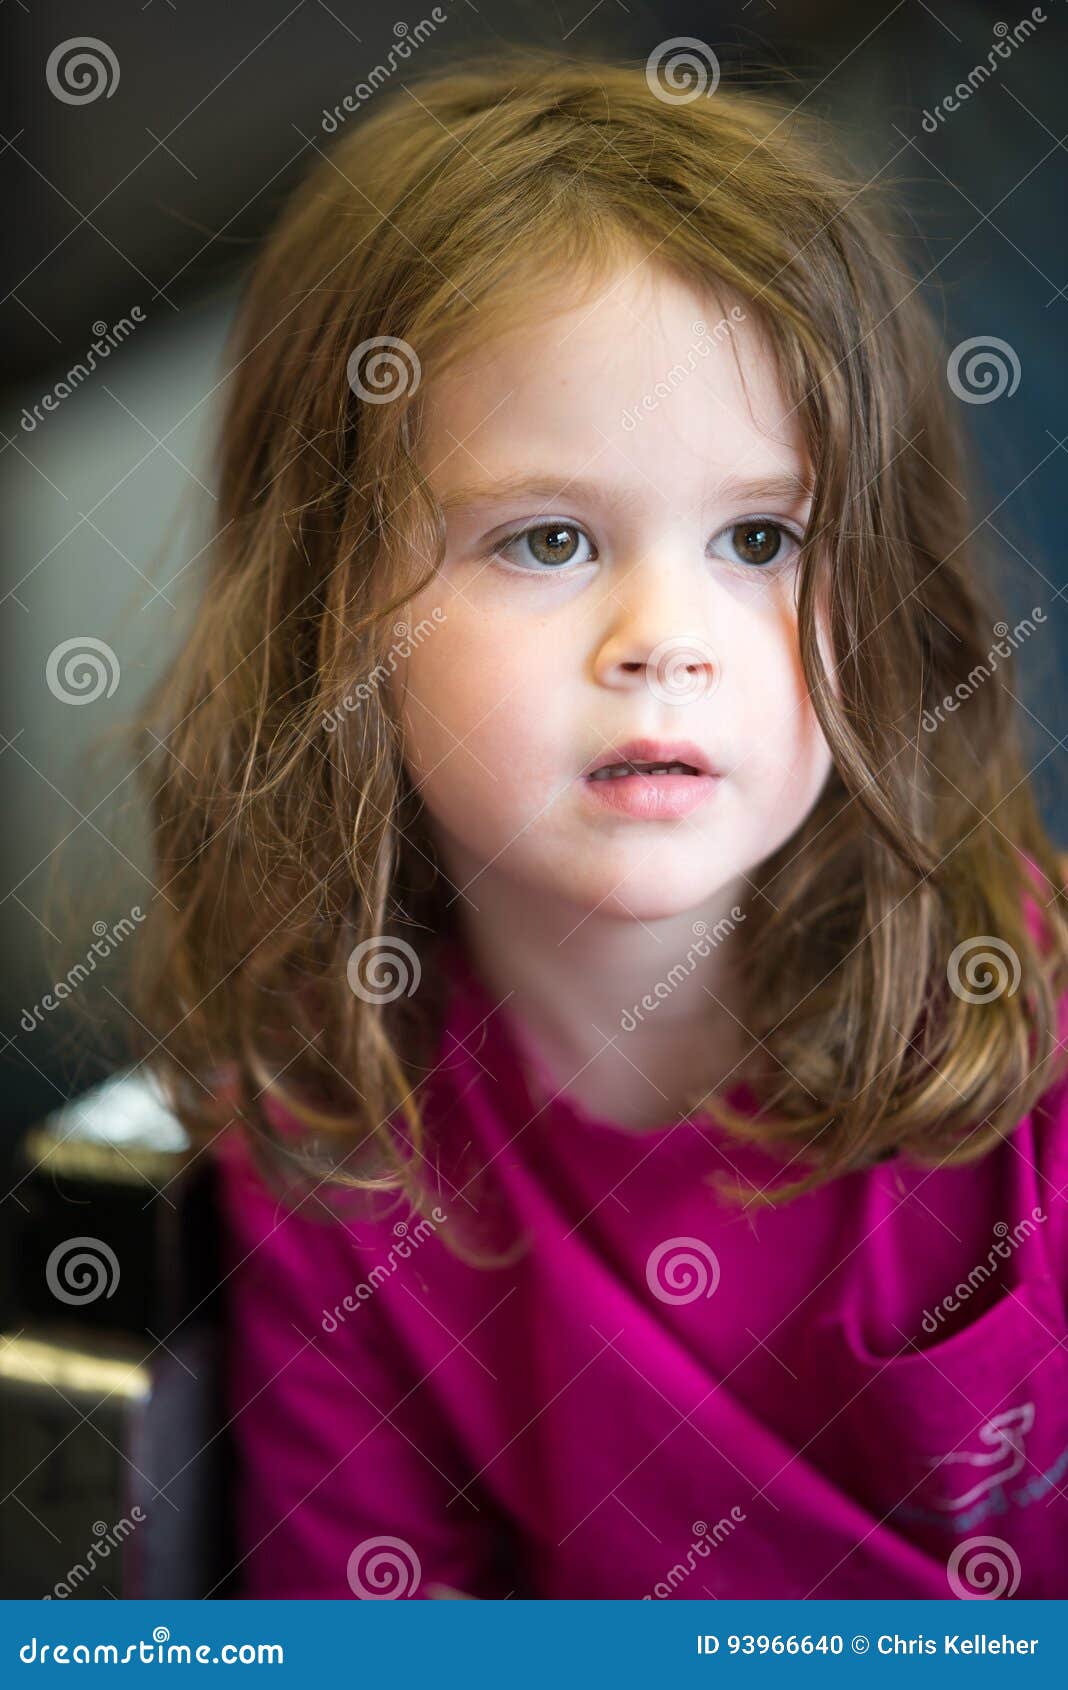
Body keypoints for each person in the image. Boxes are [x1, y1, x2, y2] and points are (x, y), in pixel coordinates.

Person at [125, 48, 1068, 1599]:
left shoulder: (1023, 1037)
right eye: (548, 537)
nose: (666, 635)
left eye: (762, 535)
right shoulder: (330, 1133)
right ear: (330, 615)